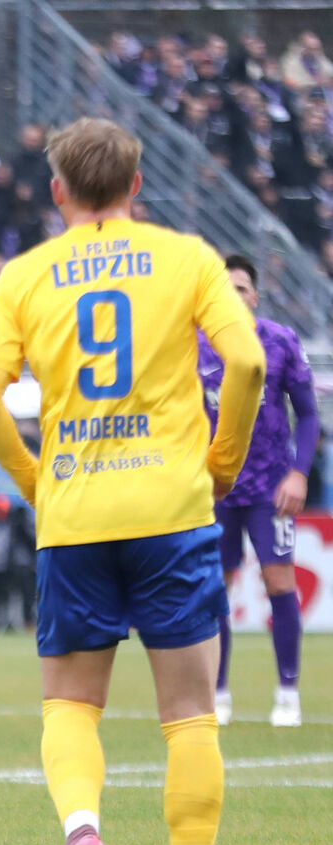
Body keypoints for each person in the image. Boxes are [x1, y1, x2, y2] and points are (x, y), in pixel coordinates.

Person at [0, 117, 263, 845]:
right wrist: (225, 462)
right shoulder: (189, 258)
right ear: (137, 187)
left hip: (76, 515)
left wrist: (34, 482)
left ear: (58, 191)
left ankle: (83, 832)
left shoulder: (26, 276)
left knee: (69, 707)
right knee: (191, 716)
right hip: (172, 510)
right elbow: (247, 363)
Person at [198, 254, 316, 728]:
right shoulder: (194, 347)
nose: (234, 296)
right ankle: (218, 692)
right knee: (215, 590)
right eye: (224, 288)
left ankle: (287, 692)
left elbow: (307, 414)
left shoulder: (280, 342)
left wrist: (299, 472)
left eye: (241, 288)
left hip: (271, 487)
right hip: (214, 490)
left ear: (255, 296)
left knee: (279, 583)